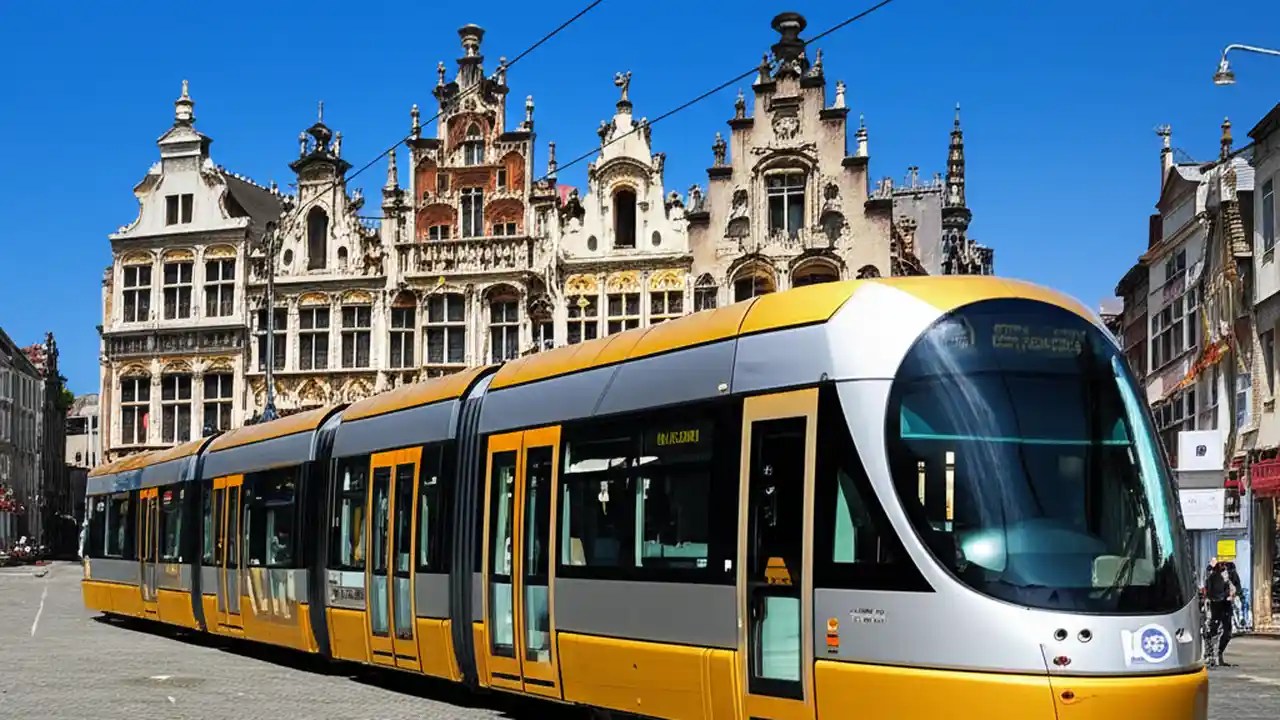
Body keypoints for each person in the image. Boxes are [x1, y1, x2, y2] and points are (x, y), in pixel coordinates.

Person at [1205, 560, 1234, 666]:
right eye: (1221, 565)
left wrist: (1229, 595)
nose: (1223, 567)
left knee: (1227, 633)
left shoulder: (1227, 577)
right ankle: (1211, 655)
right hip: (1216, 606)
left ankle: (1219, 654)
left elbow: (1230, 590)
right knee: (1213, 630)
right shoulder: (1211, 578)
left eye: (1224, 565)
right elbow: (1209, 593)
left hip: (1225, 606)